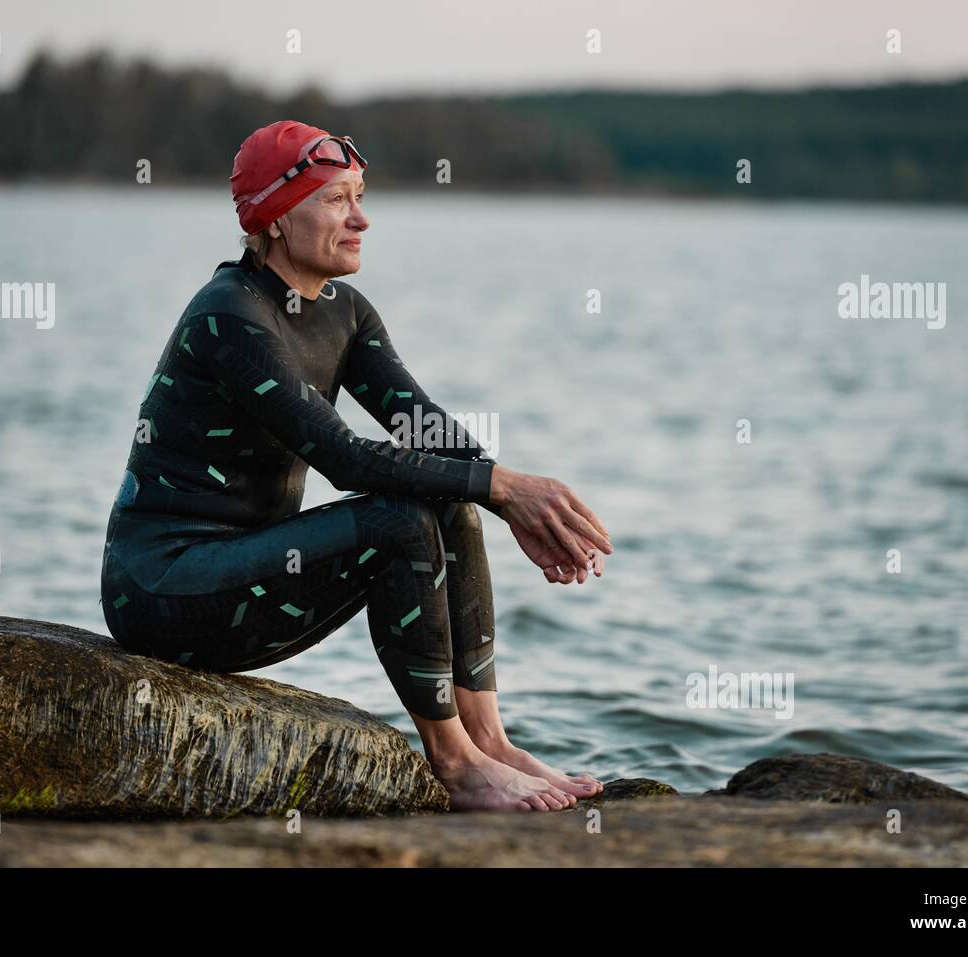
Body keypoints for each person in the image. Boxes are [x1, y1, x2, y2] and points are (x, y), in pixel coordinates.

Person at [100, 120, 614, 812]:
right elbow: (341, 456)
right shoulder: (230, 315)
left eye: (360, 196)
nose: (361, 218)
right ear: (276, 218)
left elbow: (420, 427)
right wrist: (506, 487)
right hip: (162, 587)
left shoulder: (344, 311)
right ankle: (453, 761)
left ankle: (486, 736)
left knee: (448, 497)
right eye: (337, 199)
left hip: (244, 569)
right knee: (398, 519)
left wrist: (508, 497)